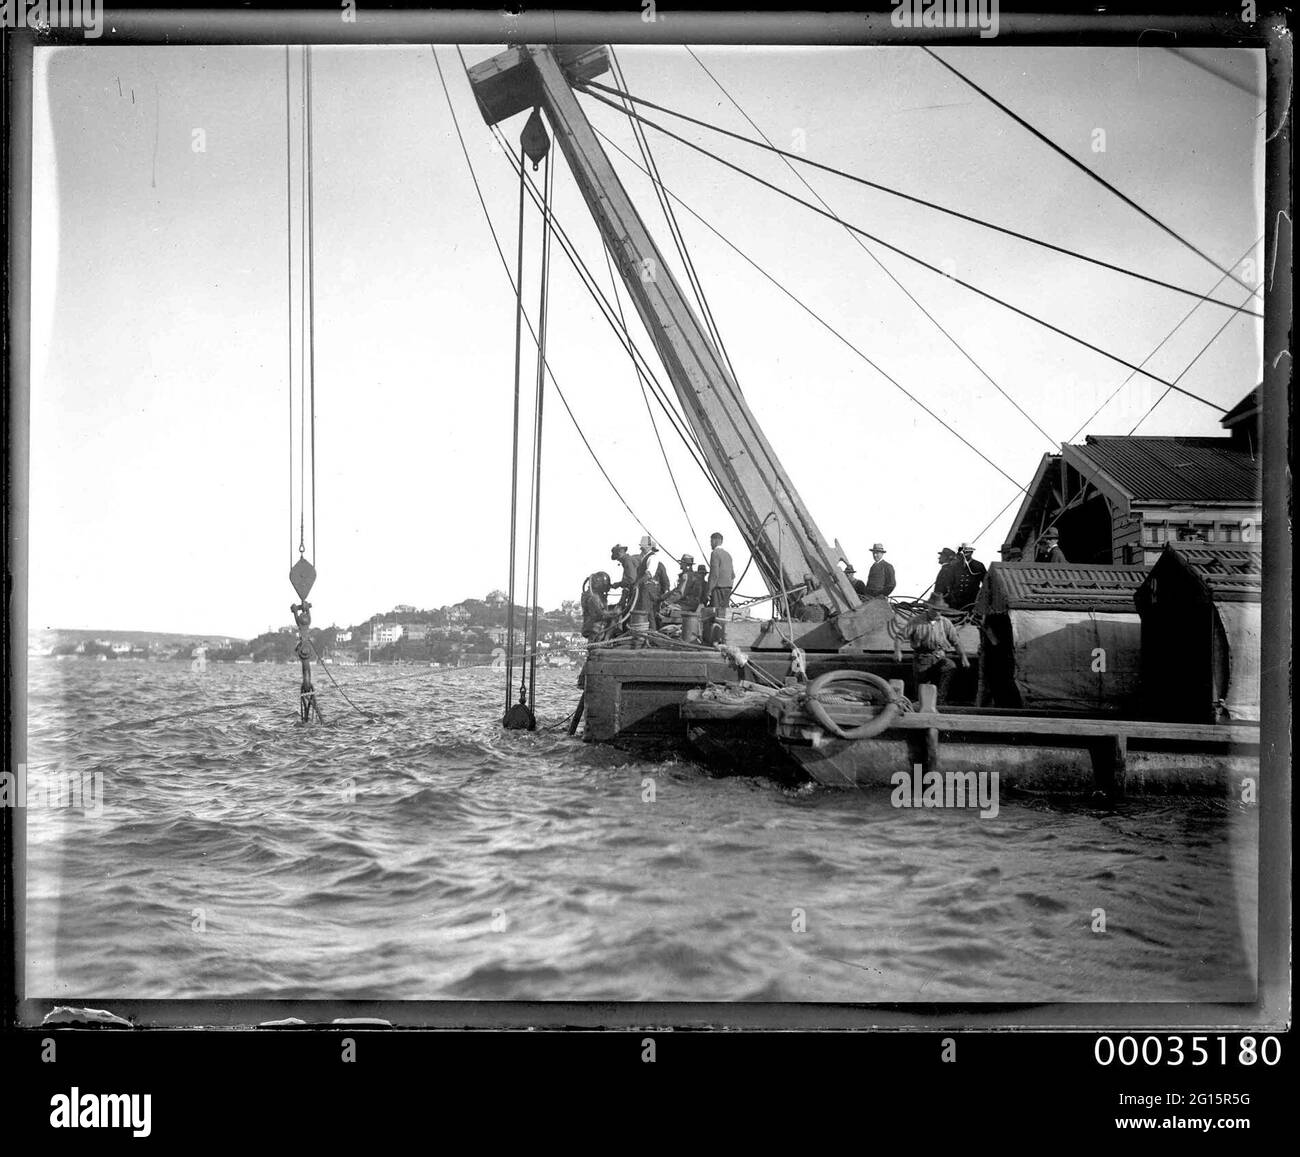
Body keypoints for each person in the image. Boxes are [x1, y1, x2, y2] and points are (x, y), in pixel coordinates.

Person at [906, 599, 969, 705]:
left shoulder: (945, 622)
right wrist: (897, 650)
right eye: (934, 609)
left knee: (949, 666)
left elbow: (956, 641)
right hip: (922, 656)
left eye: (939, 610)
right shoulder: (917, 621)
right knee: (923, 685)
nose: (937, 612)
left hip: (939, 656)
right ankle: (923, 703)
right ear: (928, 608)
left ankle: (940, 700)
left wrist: (963, 657)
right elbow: (900, 636)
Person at [580, 572, 618, 642]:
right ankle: (606, 640)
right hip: (596, 629)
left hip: (596, 626)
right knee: (616, 617)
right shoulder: (593, 597)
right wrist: (615, 612)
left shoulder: (592, 595)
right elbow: (602, 613)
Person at [948, 543, 987, 610]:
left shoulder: (978, 565)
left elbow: (986, 582)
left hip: (972, 600)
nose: (965, 554)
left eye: (967, 552)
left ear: (971, 552)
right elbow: (950, 582)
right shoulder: (955, 565)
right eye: (963, 552)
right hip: (956, 600)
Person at [706, 531, 734, 613]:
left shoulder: (715, 553)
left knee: (715, 613)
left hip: (718, 588)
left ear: (714, 541)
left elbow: (714, 574)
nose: (710, 544)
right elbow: (732, 576)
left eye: (711, 541)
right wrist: (728, 587)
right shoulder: (728, 555)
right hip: (727, 588)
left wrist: (709, 590)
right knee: (724, 614)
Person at [610, 544, 638, 611]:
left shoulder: (627, 561)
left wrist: (618, 584)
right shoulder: (628, 559)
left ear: (620, 553)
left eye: (617, 558)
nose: (618, 560)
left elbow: (631, 579)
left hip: (636, 590)